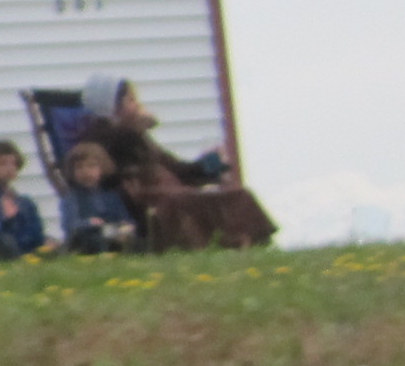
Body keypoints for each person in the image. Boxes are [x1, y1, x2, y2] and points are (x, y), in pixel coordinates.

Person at [76, 73, 277, 251]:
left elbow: (177, 167)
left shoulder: (137, 134)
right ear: (111, 105)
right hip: (147, 200)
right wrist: (135, 128)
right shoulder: (98, 137)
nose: (136, 105)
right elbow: (111, 163)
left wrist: (209, 164)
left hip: (174, 190)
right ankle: (222, 245)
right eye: (130, 100)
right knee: (182, 202)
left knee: (236, 194)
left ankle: (248, 244)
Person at [0, 140, 51, 254]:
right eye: (3, 164)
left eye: (13, 163)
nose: (10, 168)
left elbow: (37, 230)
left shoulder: (25, 201)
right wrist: (7, 219)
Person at [59, 142, 136, 254]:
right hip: (84, 240)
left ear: (102, 168)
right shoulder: (72, 198)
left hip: (110, 235)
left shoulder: (111, 196)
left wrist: (127, 227)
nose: (86, 172)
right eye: (79, 167)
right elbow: (69, 225)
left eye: (92, 166)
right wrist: (89, 223)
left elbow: (123, 218)